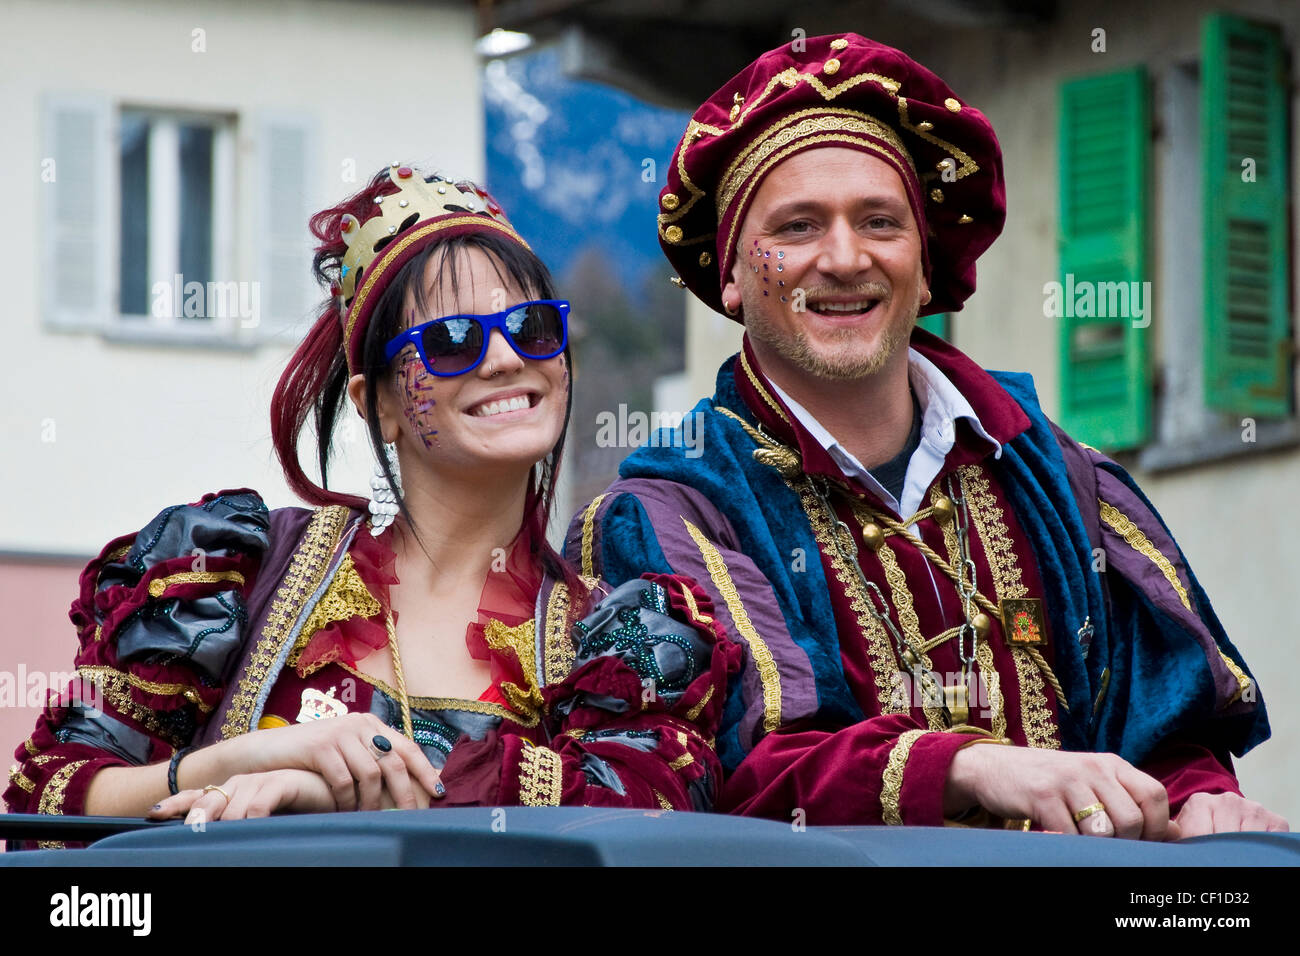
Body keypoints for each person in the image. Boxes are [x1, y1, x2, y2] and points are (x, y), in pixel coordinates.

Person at [569, 34, 1289, 838]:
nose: (844, 259)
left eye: (879, 221)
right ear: (731, 273)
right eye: (799, 227)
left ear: (925, 258)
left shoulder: (1061, 478)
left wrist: (1198, 799)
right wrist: (969, 765)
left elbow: (1164, 725)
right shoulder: (675, 515)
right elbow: (739, 769)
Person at [4, 164, 738, 843]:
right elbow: (48, 801)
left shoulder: (621, 642)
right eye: (452, 339)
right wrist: (237, 761)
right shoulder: (233, 573)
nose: (507, 357)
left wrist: (326, 793)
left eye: (531, 327)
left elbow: (637, 832)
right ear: (376, 403)